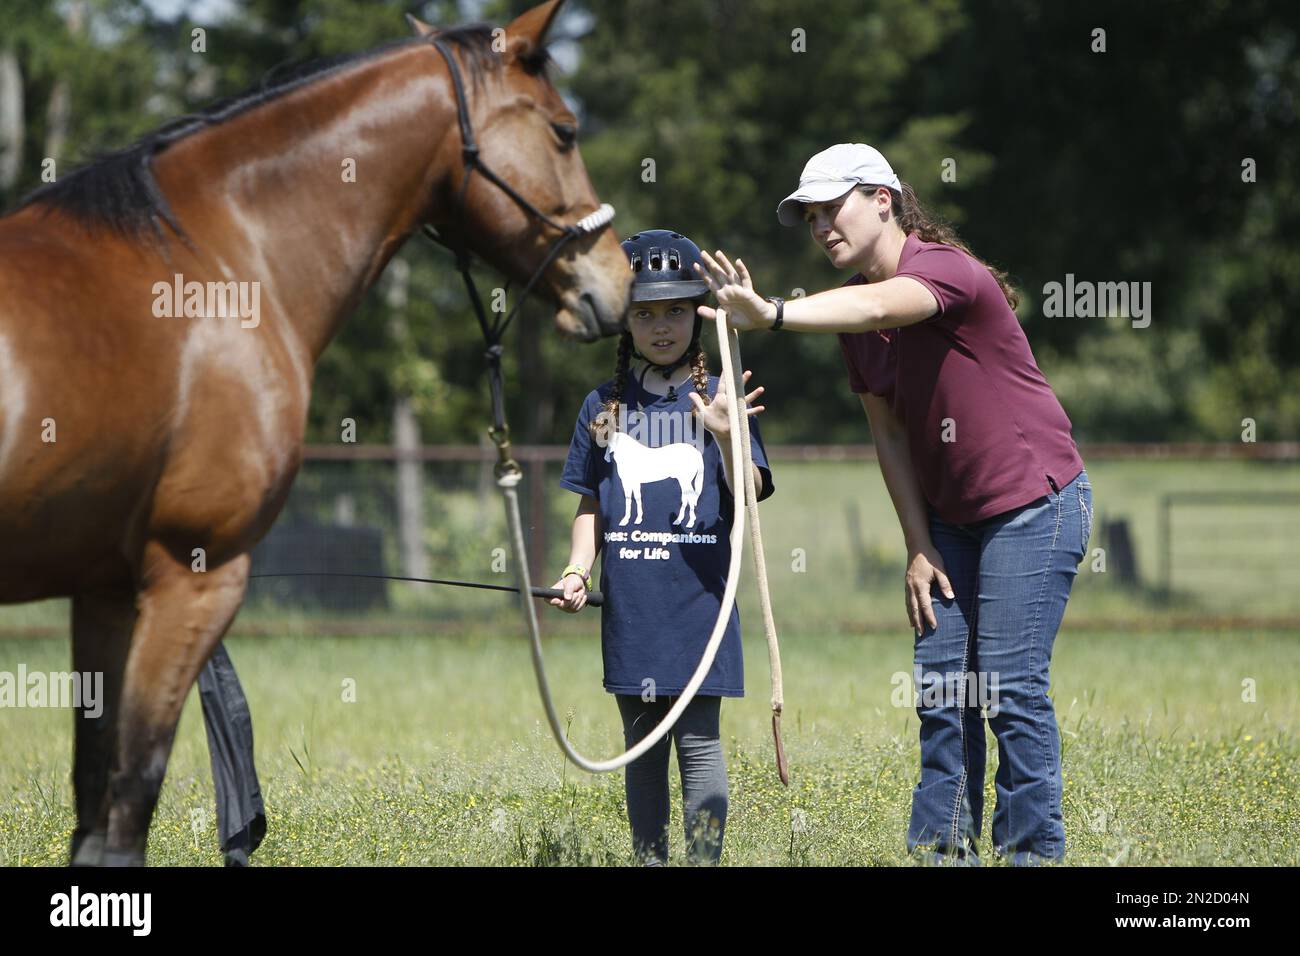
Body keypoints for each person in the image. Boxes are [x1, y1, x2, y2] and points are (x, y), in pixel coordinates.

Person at [695, 144, 1092, 865]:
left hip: (1033, 506)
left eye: (831, 207)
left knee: (1006, 689)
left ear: (883, 199)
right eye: (809, 216)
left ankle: (1032, 855)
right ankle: (942, 854)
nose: (819, 227)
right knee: (944, 692)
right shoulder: (853, 318)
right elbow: (890, 435)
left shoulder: (942, 269)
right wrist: (919, 541)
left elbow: (883, 301)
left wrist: (776, 312)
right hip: (949, 523)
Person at [549, 229, 774, 865]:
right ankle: (650, 860)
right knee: (641, 750)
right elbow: (590, 504)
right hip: (635, 609)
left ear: (697, 316)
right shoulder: (602, 406)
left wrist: (729, 435)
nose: (662, 326)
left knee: (699, 745)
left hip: (701, 605)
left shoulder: (723, 396)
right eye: (645, 313)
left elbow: (751, 490)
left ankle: (703, 861)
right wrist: (575, 570)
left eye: (675, 310)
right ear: (626, 321)